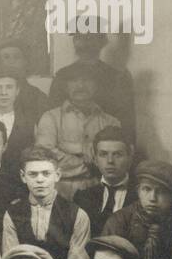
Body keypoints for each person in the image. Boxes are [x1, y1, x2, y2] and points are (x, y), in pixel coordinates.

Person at [0, 145, 92, 259]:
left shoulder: (77, 215)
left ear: (57, 175)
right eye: (33, 174)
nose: (40, 180)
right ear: (23, 177)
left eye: (46, 173)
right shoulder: (12, 213)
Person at [33, 62, 121, 198]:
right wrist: (91, 165)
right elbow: (46, 157)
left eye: (86, 80)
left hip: (100, 193)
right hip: (61, 193)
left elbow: (115, 160)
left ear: (96, 86)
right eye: (74, 80)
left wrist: (69, 148)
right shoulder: (50, 118)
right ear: (66, 86)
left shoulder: (111, 122)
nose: (80, 86)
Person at [47, 27, 136, 139]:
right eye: (79, 37)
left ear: (102, 41)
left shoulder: (117, 78)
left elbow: (127, 123)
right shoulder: (62, 76)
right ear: (74, 41)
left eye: (90, 37)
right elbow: (50, 117)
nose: (85, 42)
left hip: (107, 145)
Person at [73, 126, 134, 235]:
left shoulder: (142, 196)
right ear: (95, 159)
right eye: (103, 154)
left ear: (130, 158)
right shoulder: (82, 198)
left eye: (118, 154)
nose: (110, 161)